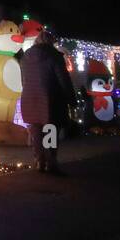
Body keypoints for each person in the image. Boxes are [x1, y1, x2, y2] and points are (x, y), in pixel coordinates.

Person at [16, 27, 76, 173]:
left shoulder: (26, 56)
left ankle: (39, 160)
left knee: (36, 130)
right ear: (50, 42)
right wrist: (71, 99)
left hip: (30, 97)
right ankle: (51, 161)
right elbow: (63, 79)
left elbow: (24, 79)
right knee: (51, 128)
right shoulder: (54, 55)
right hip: (50, 97)